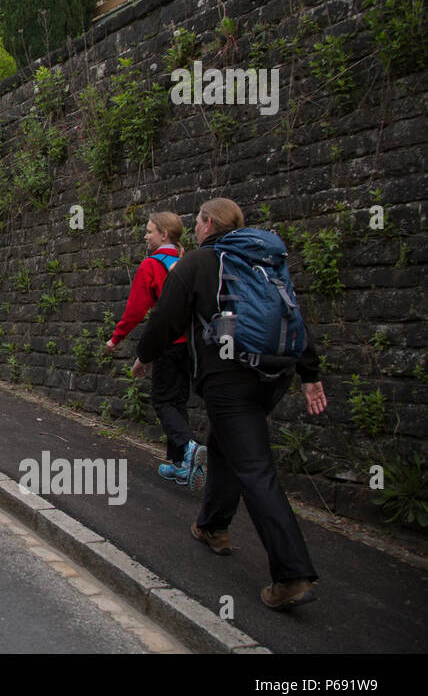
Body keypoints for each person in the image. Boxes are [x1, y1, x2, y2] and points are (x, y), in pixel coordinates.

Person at [136, 198, 327, 611]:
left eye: (199, 223)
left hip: (229, 378)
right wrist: (310, 373)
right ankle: (212, 526)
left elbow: (165, 318)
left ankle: (292, 573)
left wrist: (144, 356)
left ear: (206, 223)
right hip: (276, 375)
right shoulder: (268, 261)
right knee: (225, 445)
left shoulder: (201, 262)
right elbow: (292, 314)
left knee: (254, 467)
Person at [107, 211, 201, 487]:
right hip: (192, 345)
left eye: (149, 231)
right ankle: (181, 463)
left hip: (168, 343)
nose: (146, 236)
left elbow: (137, 308)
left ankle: (188, 449)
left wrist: (116, 338)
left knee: (162, 399)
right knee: (177, 400)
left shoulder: (152, 265)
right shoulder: (186, 262)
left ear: (164, 235)